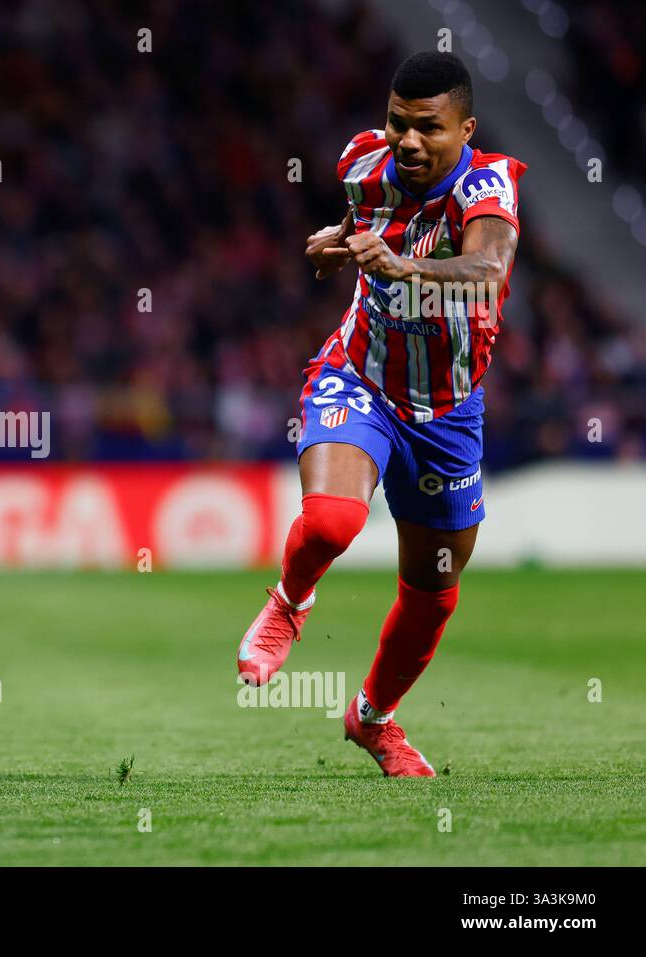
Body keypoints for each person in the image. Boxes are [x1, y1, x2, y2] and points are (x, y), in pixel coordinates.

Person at [236, 53, 524, 776]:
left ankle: (373, 720)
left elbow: (488, 267)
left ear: (466, 128)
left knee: (433, 592)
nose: (409, 141)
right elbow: (363, 218)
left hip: (449, 412)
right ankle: (289, 604)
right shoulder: (362, 161)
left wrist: (404, 266)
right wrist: (341, 244)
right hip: (358, 376)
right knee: (333, 519)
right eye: (399, 122)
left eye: (429, 127)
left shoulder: (487, 185)